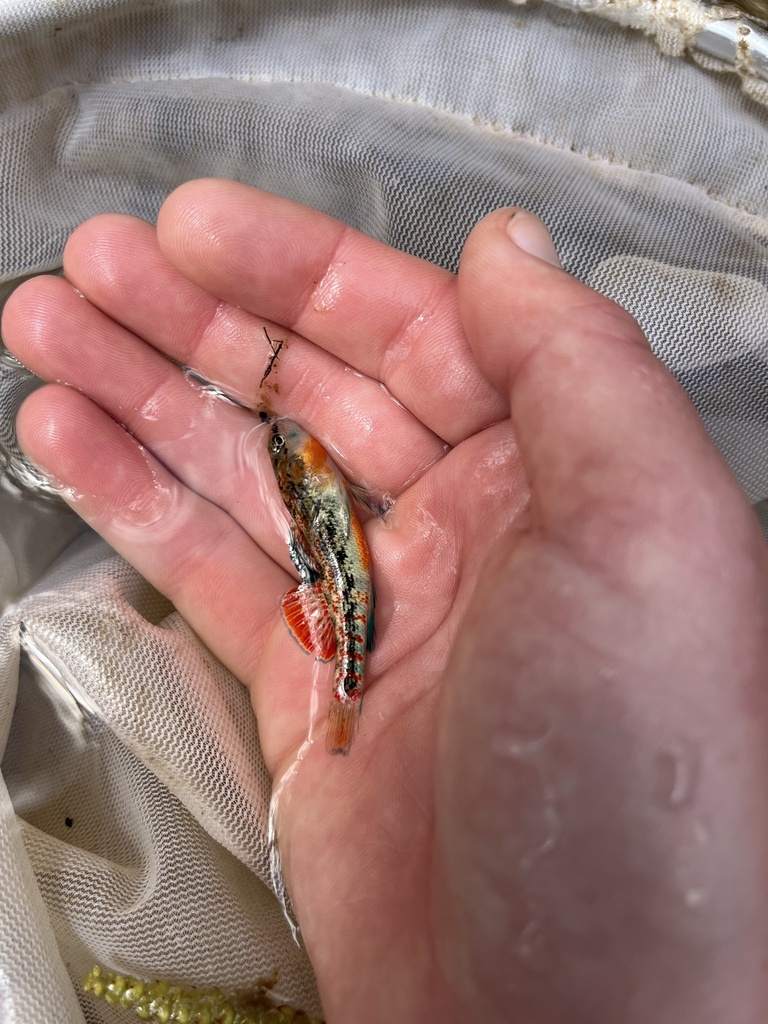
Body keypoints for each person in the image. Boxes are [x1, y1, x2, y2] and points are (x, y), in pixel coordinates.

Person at [3, 180, 767, 1024]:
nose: (300, 457)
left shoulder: (307, 477)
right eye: (298, 465)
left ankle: (346, 707)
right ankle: (346, 705)